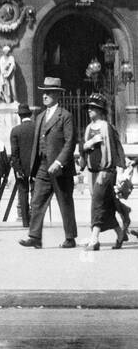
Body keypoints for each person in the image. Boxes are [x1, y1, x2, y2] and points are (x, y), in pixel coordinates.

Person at [20, 77, 79, 250]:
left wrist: (59, 162)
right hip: (42, 165)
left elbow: (70, 142)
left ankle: (70, 237)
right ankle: (35, 236)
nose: (44, 95)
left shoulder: (65, 116)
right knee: (37, 200)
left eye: (48, 93)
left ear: (57, 95)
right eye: (44, 92)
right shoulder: (39, 117)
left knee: (64, 201)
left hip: (60, 168)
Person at [79, 95, 125, 252]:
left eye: (93, 108)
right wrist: (90, 143)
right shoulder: (87, 129)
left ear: (100, 110)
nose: (89, 110)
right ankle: (120, 234)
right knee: (106, 204)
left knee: (97, 203)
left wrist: (114, 169)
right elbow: (82, 149)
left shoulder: (107, 127)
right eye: (89, 108)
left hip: (105, 171)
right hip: (91, 171)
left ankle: (94, 239)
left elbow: (115, 148)